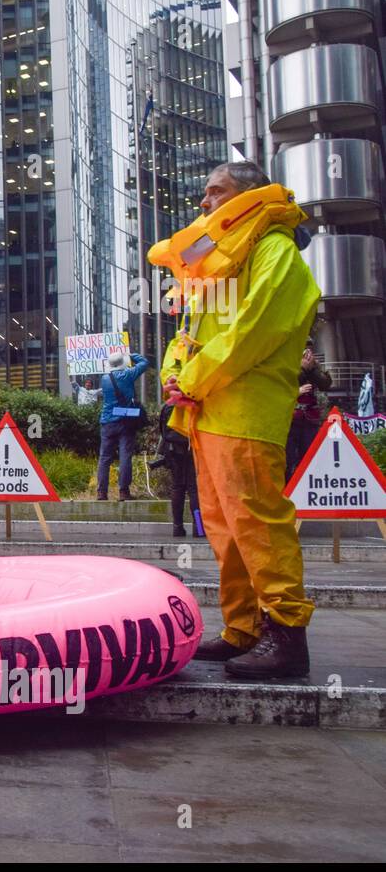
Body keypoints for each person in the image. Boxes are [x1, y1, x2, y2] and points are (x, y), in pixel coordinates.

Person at [155, 160, 320, 678]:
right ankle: (243, 629)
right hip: (207, 412)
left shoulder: (275, 252)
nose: (204, 203)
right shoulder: (222, 259)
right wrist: (175, 374)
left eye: (216, 192)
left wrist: (193, 378)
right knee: (226, 529)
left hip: (245, 411)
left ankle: (287, 638)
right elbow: (191, 329)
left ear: (249, 195)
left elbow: (252, 331)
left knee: (257, 523)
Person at [96, 351, 151, 501]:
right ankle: (123, 492)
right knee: (125, 456)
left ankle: (101, 492)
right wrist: (130, 354)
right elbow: (144, 363)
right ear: (123, 362)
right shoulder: (128, 375)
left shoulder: (105, 378)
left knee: (104, 457)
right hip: (126, 421)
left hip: (107, 421)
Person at [153, 402, 202, 537]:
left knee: (177, 487)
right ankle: (198, 528)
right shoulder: (194, 402)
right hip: (192, 449)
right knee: (194, 489)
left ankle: (177, 527)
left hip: (173, 451)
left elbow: (162, 430)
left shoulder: (168, 405)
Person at [285, 345, 330, 482]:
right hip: (290, 419)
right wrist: (302, 369)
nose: (308, 352)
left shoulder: (314, 366)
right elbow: (286, 383)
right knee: (288, 459)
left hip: (310, 419)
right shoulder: (286, 362)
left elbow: (325, 383)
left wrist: (313, 369)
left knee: (310, 457)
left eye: (310, 349)